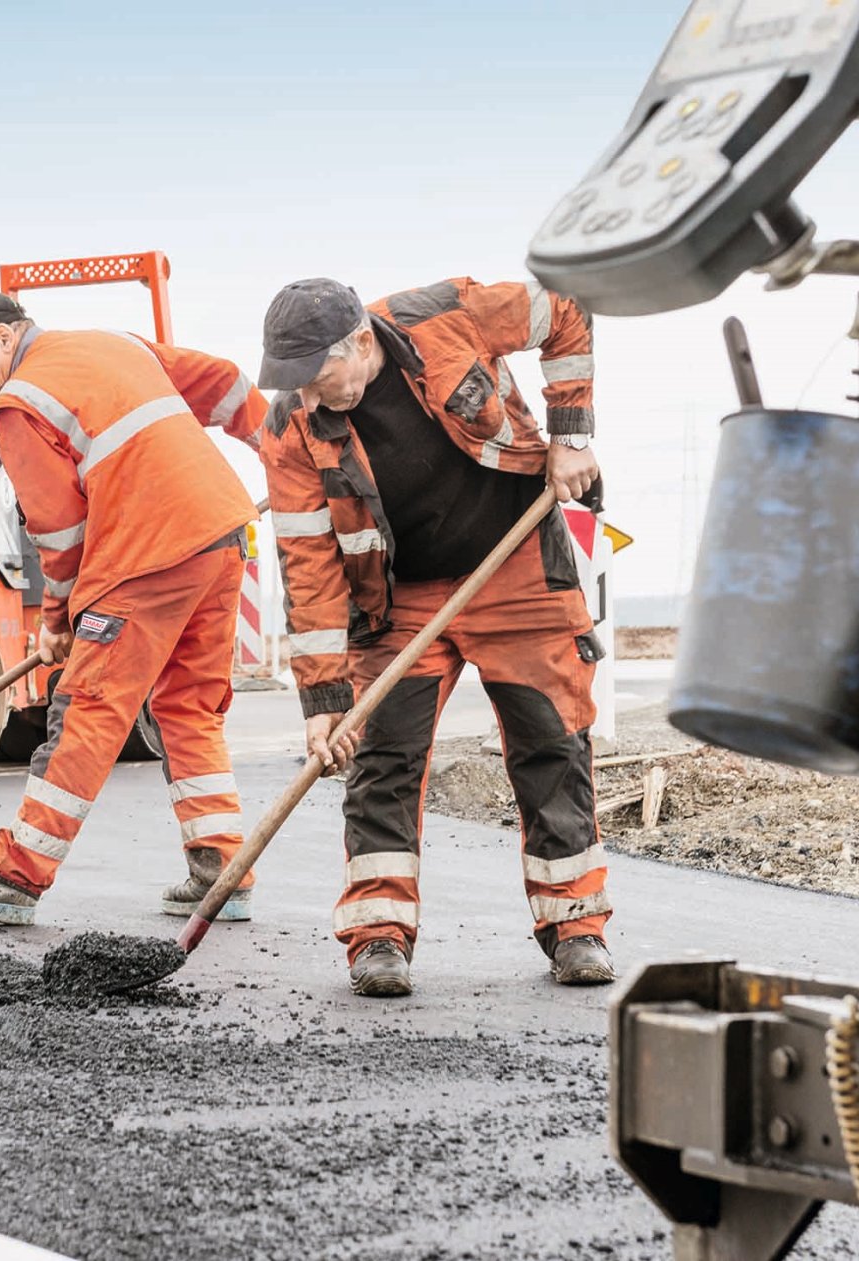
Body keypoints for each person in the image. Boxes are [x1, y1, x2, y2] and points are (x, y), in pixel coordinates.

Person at [257, 276, 612, 996]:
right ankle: (378, 933)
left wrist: (571, 436)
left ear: (360, 342)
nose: (310, 397)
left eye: (319, 377)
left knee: (553, 743)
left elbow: (568, 311)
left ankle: (575, 923)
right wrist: (324, 698)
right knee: (381, 753)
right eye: (295, 384)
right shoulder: (289, 427)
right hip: (400, 597)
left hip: (511, 561)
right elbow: (309, 564)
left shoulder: (446, 316)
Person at [0, 292, 265, 924]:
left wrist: (56, 624)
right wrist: (279, 448)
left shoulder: (19, 405)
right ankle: (222, 870)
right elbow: (225, 382)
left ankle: (15, 875)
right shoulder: (116, 344)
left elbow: (59, 533)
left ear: (5, 336)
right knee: (187, 706)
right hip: (221, 534)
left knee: (86, 712)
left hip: (145, 555)